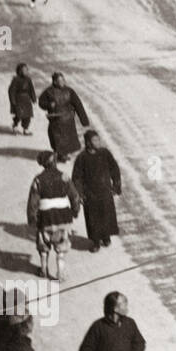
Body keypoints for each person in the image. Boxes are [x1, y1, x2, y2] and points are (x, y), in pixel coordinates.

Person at [27, 150, 80, 281]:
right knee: (61, 245)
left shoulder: (38, 179)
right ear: (54, 162)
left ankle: (44, 269)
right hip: (63, 216)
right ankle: (60, 273)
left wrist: (32, 217)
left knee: (43, 243)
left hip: (45, 217)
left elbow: (33, 201)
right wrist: (75, 210)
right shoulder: (64, 177)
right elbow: (74, 196)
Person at [72, 130, 121, 252]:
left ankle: (106, 237)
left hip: (105, 191)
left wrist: (116, 186)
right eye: (95, 140)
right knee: (93, 218)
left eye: (98, 139)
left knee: (106, 215)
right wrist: (80, 194)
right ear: (88, 143)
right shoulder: (82, 158)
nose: (98, 142)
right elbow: (77, 178)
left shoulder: (105, 153)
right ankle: (95, 242)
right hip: (90, 194)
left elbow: (114, 169)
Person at [39, 72, 89, 161]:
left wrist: (84, 119)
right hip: (56, 119)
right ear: (54, 82)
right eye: (59, 80)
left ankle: (63, 154)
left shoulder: (69, 91)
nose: (62, 82)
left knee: (68, 138)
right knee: (57, 137)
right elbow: (41, 103)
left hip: (68, 119)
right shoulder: (49, 91)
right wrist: (49, 105)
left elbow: (78, 104)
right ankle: (61, 154)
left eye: (63, 80)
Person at [8, 64, 36, 136]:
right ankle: (15, 125)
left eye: (26, 70)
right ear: (19, 71)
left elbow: (31, 89)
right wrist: (13, 100)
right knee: (19, 114)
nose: (26, 71)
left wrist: (33, 98)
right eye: (24, 70)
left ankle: (25, 129)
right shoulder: (16, 80)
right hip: (19, 99)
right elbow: (12, 90)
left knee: (27, 115)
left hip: (26, 99)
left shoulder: (28, 79)